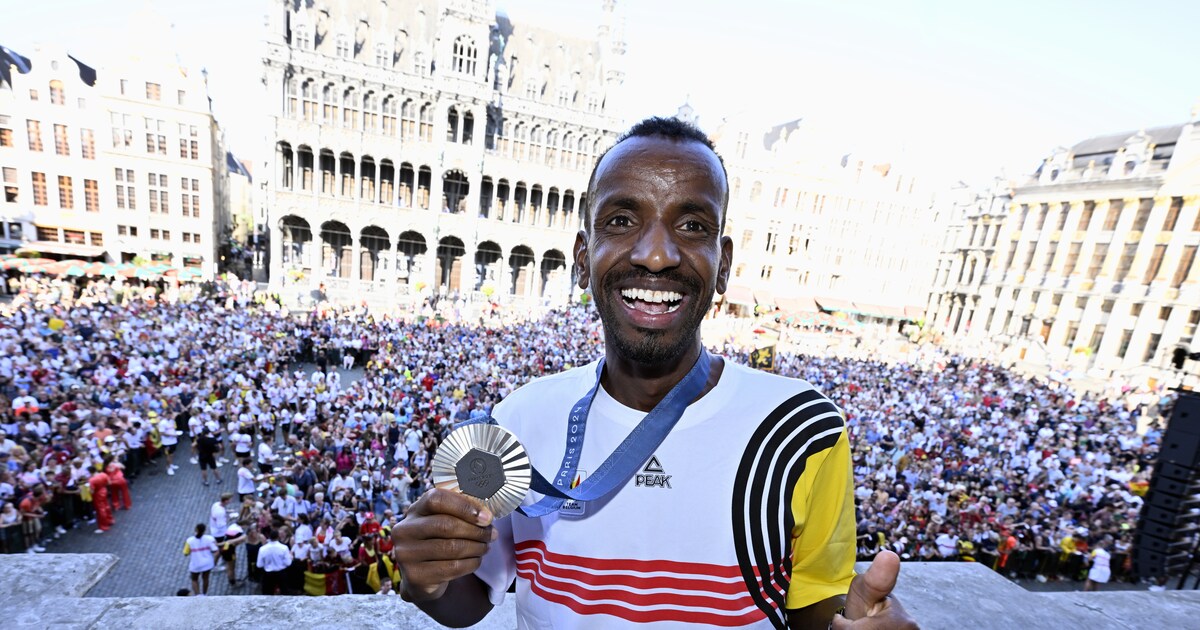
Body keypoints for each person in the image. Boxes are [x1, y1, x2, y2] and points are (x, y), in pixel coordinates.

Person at [391, 117, 916, 629]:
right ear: (582, 257)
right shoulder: (519, 418)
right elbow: (471, 599)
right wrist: (427, 578)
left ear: (724, 263)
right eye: (621, 221)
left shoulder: (801, 429)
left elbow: (815, 613)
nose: (657, 255)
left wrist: (855, 623)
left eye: (692, 226)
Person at [185, 523, 219, 596]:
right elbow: (215, 550)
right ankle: (204, 593)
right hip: (207, 563)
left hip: (195, 564)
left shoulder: (189, 540)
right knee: (205, 578)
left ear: (195, 529)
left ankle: (198, 595)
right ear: (204, 530)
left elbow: (185, 553)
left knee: (194, 579)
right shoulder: (210, 538)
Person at [256, 527, 293, 595]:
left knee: (267, 594)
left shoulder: (262, 549)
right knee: (285, 593)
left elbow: (259, 565)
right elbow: (288, 563)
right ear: (278, 536)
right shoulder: (284, 548)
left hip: (268, 575)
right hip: (281, 574)